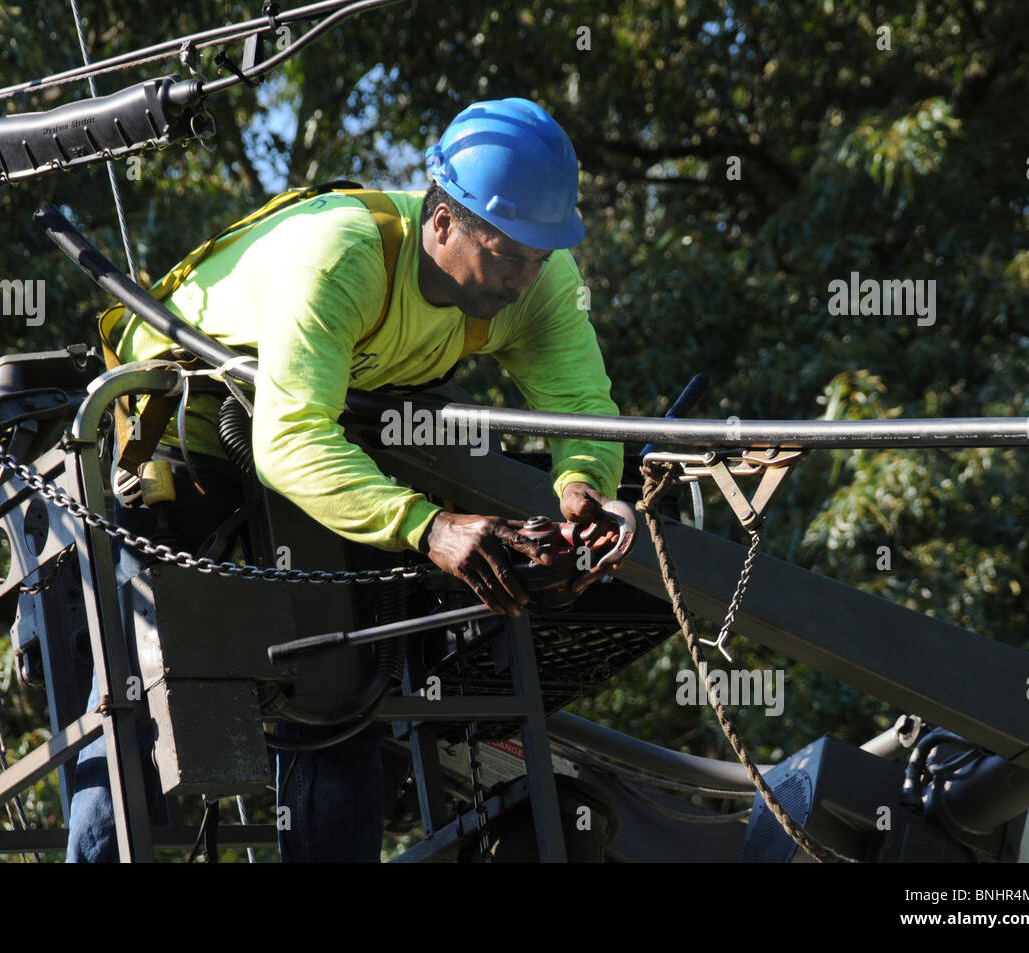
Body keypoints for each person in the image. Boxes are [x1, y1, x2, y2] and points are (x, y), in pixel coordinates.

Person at [67, 97, 626, 862]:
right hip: (185, 425)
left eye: (538, 256)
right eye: (506, 255)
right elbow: (289, 440)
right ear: (441, 223)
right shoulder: (342, 255)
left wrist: (582, 489)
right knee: (148, 695)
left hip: (323, 451)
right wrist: (431, 527)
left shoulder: (537, 279)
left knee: (344, 695)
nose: (525, 278)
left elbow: (581, 407)